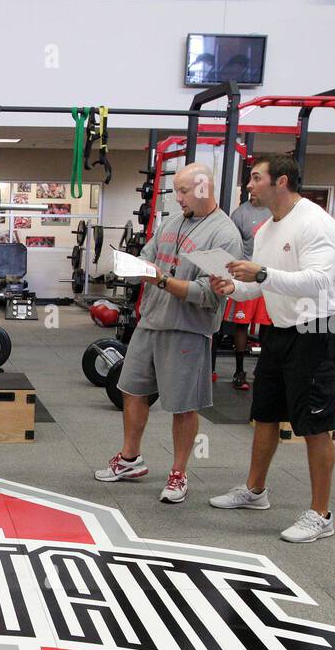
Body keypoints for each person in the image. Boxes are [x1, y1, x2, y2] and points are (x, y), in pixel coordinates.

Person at [208, 154, 335, 544]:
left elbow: (318, 281)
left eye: (255, 178)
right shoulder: (268, 228)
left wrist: (262, 273)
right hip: (281, 330)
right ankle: (255, 491)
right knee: (265, 414)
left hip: (320, 331)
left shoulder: (316, 223)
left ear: (280, 181)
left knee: (315, 424)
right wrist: (236, 287)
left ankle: (322, 514)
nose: (249, 185)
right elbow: (264, 284)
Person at [94, 162, 243, 503]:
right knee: (131, 389)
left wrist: (161, 279)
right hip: (151, 322)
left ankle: (179, 473)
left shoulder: (224, 235)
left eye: (184, 191)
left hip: (187, 330)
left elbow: (208, 294)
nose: (177, 198)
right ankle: (130, 459)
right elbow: (147, 257)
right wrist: (132, 266)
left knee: (183, 407)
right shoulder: (172, 223)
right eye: (176, 190)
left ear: (204, 188)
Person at [220, 195, 274, 389]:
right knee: (241, 325)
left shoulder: (273, 212)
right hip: (245, 276)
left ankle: (263, 370)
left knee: (268, 325)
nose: (253, 187)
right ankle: (239, 371)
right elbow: (233, 245)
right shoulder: (240, 214)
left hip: (267, 276)